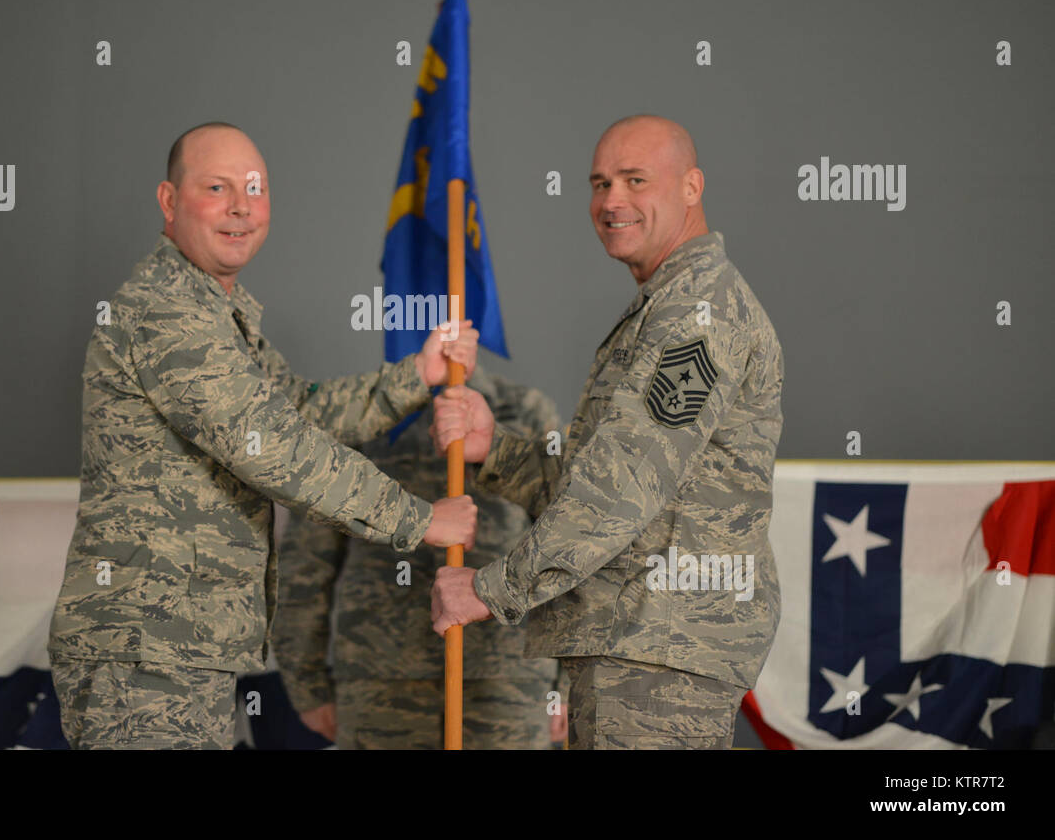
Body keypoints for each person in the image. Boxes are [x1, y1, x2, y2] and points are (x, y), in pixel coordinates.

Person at [49, 122, 480, 749]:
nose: (241, 207)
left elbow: (297, 413)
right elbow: (277, 450)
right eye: (216, 187)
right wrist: (419, 520)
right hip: (143, 650)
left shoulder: (217, 313)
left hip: (179, 646)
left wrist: (418, 375)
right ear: (169, 202)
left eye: (254, 188)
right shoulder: (166, 311)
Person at [430, 115, 784, 749]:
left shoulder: (699, 312)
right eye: (599, 183)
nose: (611, 200)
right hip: (632, 642)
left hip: (659, 651)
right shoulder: (664, 304)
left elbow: (622, 490)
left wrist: (490, 588)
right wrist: (497, 452)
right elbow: (601, 479)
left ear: (692, 186)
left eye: (635, 180)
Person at [273, 367, 567, 749]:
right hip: (380, 676)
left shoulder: (524, 410)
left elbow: (565, 540)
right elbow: (305, 564)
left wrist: (565, 682)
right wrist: (306, 685)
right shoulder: (361, 410)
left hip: (508, 679)